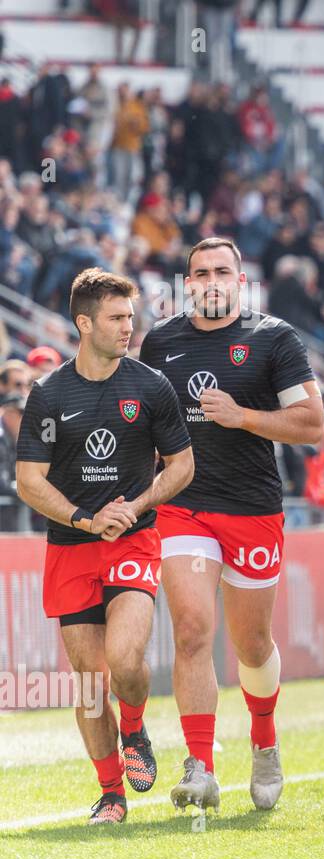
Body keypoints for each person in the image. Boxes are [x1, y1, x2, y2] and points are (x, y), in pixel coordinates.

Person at [140, 237, 324, 813]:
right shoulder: (161, 341)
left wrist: (242, 416)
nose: (212, 279)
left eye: (223, 270)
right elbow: (141, 424)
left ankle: (264, 739)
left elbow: (312, 423)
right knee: (193, 630)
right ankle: (200, 767)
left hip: (252, 507)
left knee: (250, 645)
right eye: (201, 272)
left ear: (241, 281)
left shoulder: (273, 338)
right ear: (187, 283)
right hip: (183, 505)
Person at [15, 268, 194, 823]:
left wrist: (133, 509)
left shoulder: (150, 387)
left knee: (124, 660)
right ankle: (111, 794)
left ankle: (135, 729)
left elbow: (183, 466)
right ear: (84, 322)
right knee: (91, 684)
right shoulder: (49, 394)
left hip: (134, 540)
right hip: (72, 546)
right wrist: (86, 519)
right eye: (117, 318)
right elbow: (29, 479)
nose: (128, 327)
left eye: (131, 317)